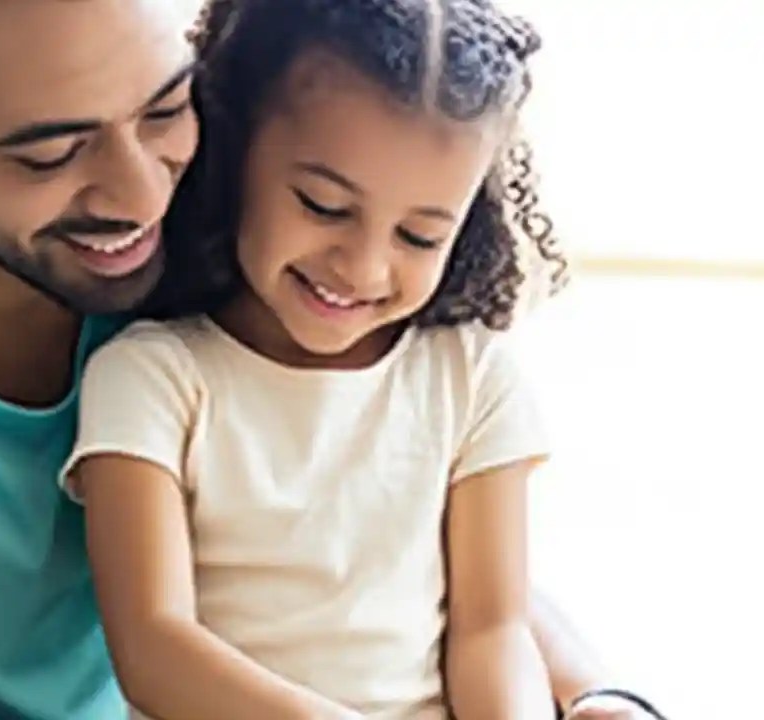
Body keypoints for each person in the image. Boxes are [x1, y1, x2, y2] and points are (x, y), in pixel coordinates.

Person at [0, 0, 660, 718]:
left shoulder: (247, 220)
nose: (138, 196)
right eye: (52, 152)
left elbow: (386, 541)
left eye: (167, 107)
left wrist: (594, 693)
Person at [60, 1, 668, 719]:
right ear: (233, 149)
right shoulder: (150, 379)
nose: (363, 267)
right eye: (324, 205)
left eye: (419, 236)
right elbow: (155, 651)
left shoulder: (471, 376)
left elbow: (491, 629)